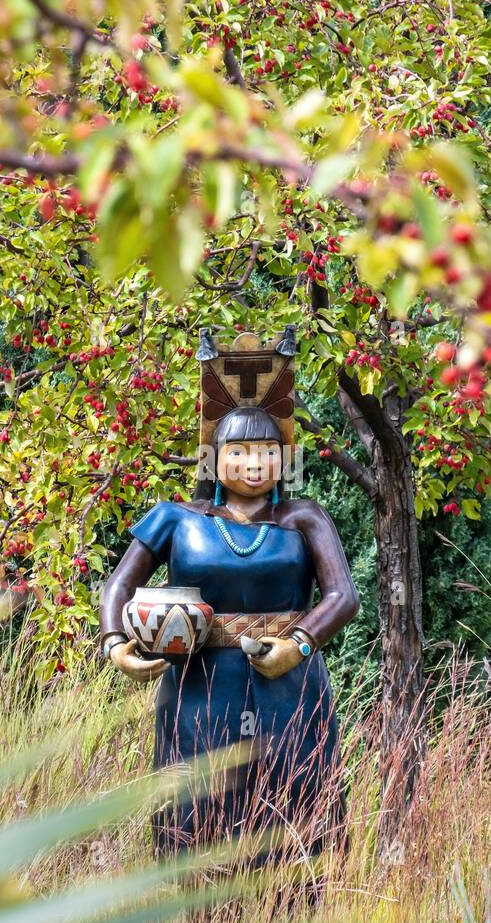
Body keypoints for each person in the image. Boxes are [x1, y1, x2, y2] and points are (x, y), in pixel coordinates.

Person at [99, 329, 358, 860]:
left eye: (266, 452)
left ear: (284, 459)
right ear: (213, 458)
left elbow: (342, 597)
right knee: (198, 801)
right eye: (238, 451)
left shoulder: (305, 518)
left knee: (293, 792)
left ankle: (293, 901)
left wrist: (298, 646)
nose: (253, 463)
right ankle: (199, 903)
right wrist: (116, 644)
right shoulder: (175, 518)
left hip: (289, 686)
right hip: (198, 687)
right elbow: (120, 584)